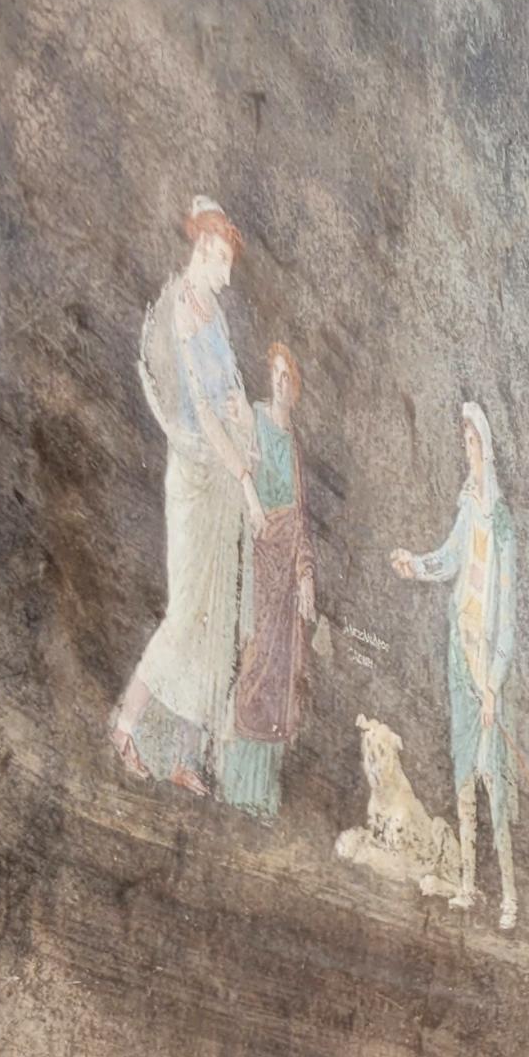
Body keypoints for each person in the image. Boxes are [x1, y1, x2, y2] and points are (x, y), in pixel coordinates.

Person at [112, 197, 264, 794]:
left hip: (222, 471)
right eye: (221, 259)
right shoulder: (177, 310)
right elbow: (199, 408)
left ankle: (182, 755)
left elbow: (232, 392)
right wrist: (246, 483)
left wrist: (243, 418)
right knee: (184, 617)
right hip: (198, 477)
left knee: (211, 625)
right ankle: (126, 726)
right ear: (201, 250)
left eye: (229, 262)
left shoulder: (215, 315)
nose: (226, 274)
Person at [391, 402, 517, 930]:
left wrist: (493, 686)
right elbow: (448, 559)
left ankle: (509, 896)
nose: (468, 453)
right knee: (464, 769)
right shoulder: (467, 509)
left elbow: (507, 616)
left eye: (472, 444)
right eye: (464, 443)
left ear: (487, 449)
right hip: (458, 657)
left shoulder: (502, 525)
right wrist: (416, 565)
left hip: (485, 666)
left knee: (494, 782)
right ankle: (468, 883)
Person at [221, 344, 318, 818]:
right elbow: (236, 475)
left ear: (295, 386)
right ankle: (236, 787)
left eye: (288, 375)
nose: (281, 381)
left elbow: (300, 518)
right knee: (256, 663)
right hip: (260, 557)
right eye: (276, 373)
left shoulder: (294, 442)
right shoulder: (254, 418)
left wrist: (306, 575)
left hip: (287, 566)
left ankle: (262, 796)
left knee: (281, 676)